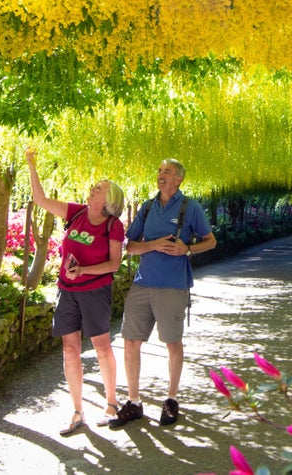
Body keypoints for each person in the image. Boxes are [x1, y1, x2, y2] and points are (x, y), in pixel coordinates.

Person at [109, 158, 216, 428]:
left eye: (166, 172)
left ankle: (171, 399)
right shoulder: (147, 208)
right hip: (142, 283)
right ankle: (133, 402)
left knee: (172, 343)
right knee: (131, 341)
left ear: (178, 179)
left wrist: (187, 249)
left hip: (172, 285)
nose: (160, 175)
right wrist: (154, 244)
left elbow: (211, 241)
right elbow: (130, 246)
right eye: (158, 170)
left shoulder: (190, 208)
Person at [26, 148, 126, 435]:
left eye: (98, 189)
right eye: (94, 187)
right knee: (70, 349)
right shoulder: (76, 212)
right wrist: (32, 165)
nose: (91, 190)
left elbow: (114, 264)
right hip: (66, 290)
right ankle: (77, 411)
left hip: (95, 291)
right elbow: (40, 200)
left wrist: (83, 271)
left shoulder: (112, 225)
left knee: (101, 346)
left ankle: (111, 404)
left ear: (108, 201)